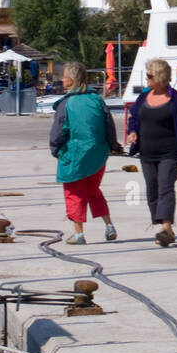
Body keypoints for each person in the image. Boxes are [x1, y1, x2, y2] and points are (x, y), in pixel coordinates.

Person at [126, 58, 177, 247]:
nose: (146, 79)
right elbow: (134, 118)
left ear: (160, 77)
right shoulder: (143, 97)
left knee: (165, 187)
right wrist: (132, 132)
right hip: (147, 152)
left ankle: (165, 226)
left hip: (170, 152)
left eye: (149, 75)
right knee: (152, 190)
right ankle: (166, 228)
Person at [49, 61, 121, 245]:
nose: (62, 79)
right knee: (93, 191)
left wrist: (56, 150)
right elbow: (109, 125)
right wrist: (112, 146)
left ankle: (79, 234)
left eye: (64, 76)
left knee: (74, 193)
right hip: (98, 155)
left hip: (75, 155)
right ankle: (109, 226)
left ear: (71, 79)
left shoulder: (66, 103)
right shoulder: (97, 99)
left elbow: (58, 131)